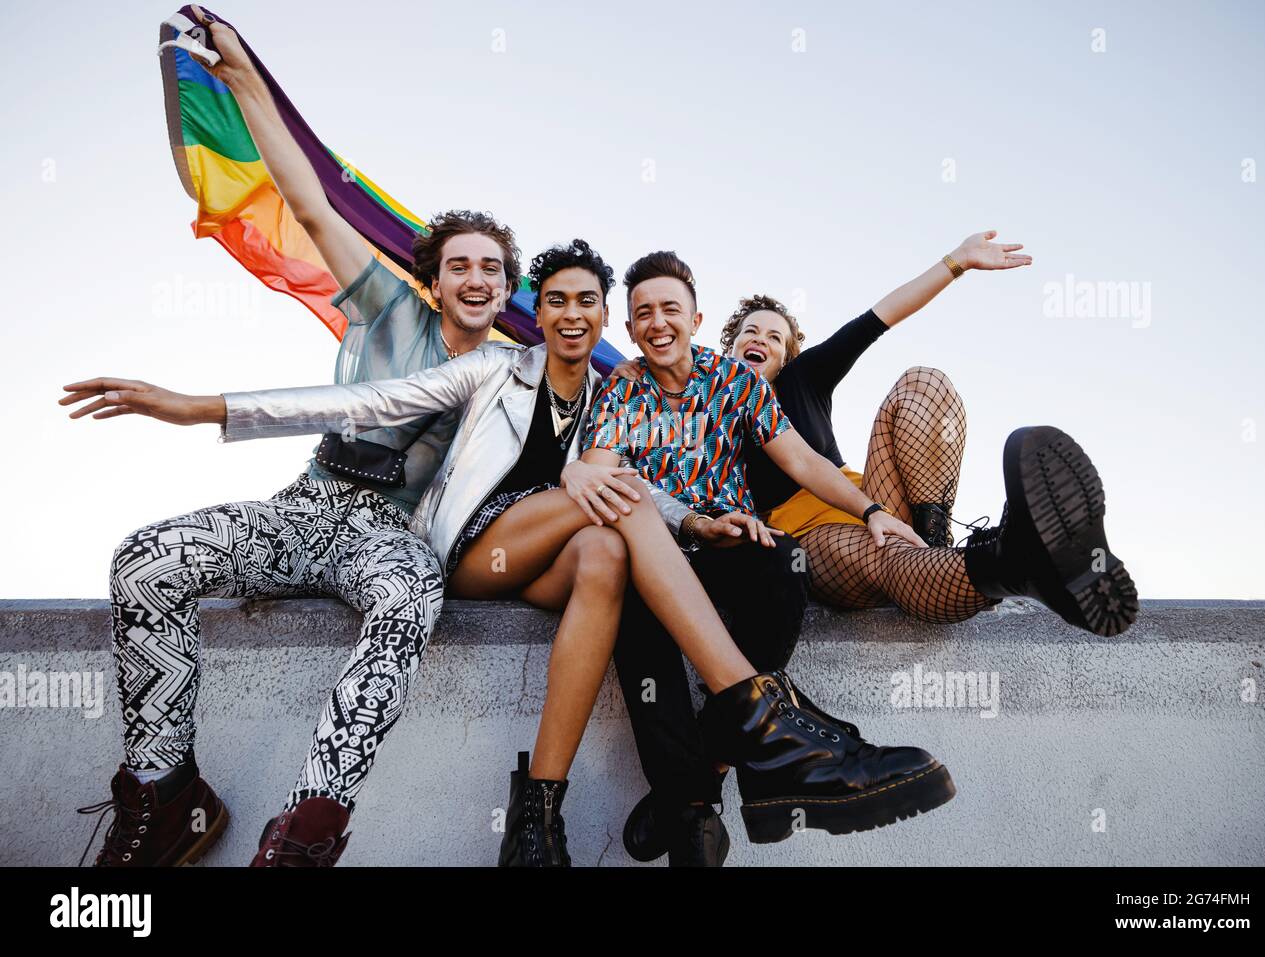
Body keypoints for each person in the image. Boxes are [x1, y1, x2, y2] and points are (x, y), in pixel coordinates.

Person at [63, 241, 958, 867]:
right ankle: (765, 721)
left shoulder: (618, 393)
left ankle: (536, 819)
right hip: (473, 544)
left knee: (611, 552)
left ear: (613, 316)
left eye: (590, 302)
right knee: (615, 505)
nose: (577, 313)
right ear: (541, 311)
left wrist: (711, 520)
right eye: (559, 299)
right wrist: (197, 407)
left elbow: (632, 482)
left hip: (561, 556)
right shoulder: (498, 369)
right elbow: (376, 401)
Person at [65, 17, 522, 868]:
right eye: (460, 263)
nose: (476, 278)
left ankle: (308, 826)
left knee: (410, 600)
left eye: (492, 268)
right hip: (307, 508)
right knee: (146, 558)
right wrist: (245, 79)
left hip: (396, 537)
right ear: (435, 274)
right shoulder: (388, 304)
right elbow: (308, 195)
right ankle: (167, 794)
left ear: (506, 288)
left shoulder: (517, 372)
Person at [586, 251, 948, 866]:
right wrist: (692, 519)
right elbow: (601, 476)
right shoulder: (622, 388)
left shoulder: (738, 384)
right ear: (630, 329)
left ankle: (690, 783)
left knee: (785, 565)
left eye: (670, 308)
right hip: (659, 547)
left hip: (733, 542)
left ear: (695, 320)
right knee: (637, 618)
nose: (657, 321)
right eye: (643, 312)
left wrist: (871, 511)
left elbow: (804, 462)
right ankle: (698, 812)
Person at [711, 230, 1139, 637]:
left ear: (787, 355)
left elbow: (879, 316)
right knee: (889, 559)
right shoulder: (703, 405)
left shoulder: (802, 378)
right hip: (806, 538)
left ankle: (934, 538)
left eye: (774, 336)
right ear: (728, 347)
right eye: (750, 332)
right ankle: (1011, 565)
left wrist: (958, 261)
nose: (760, 340)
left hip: (872, 502)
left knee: (922, 382)